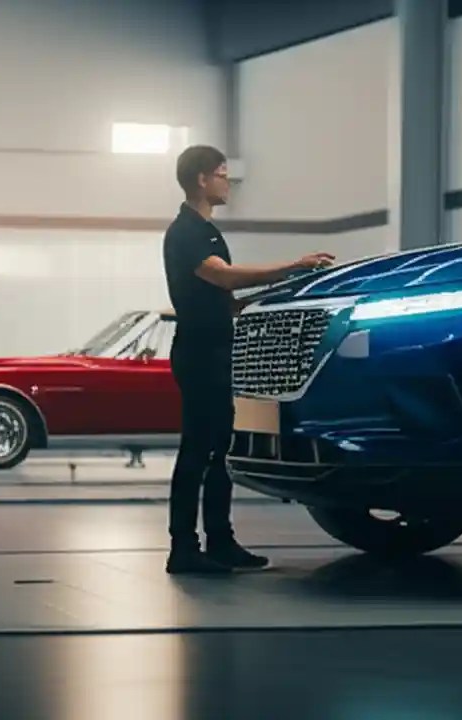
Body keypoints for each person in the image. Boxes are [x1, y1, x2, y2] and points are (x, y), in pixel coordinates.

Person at [162, 145, 335, 574]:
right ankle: (184, 548)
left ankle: (220, 540)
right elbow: (221, 275)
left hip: (217, 349)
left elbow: (223, 298)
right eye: (222, 174)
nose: (227, 182)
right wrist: (290, 264)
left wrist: (282, 289)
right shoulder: (187, 231)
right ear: (201, 179)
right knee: (199, 449)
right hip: (200, 353)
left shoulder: (207, 231)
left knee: (220, 448)